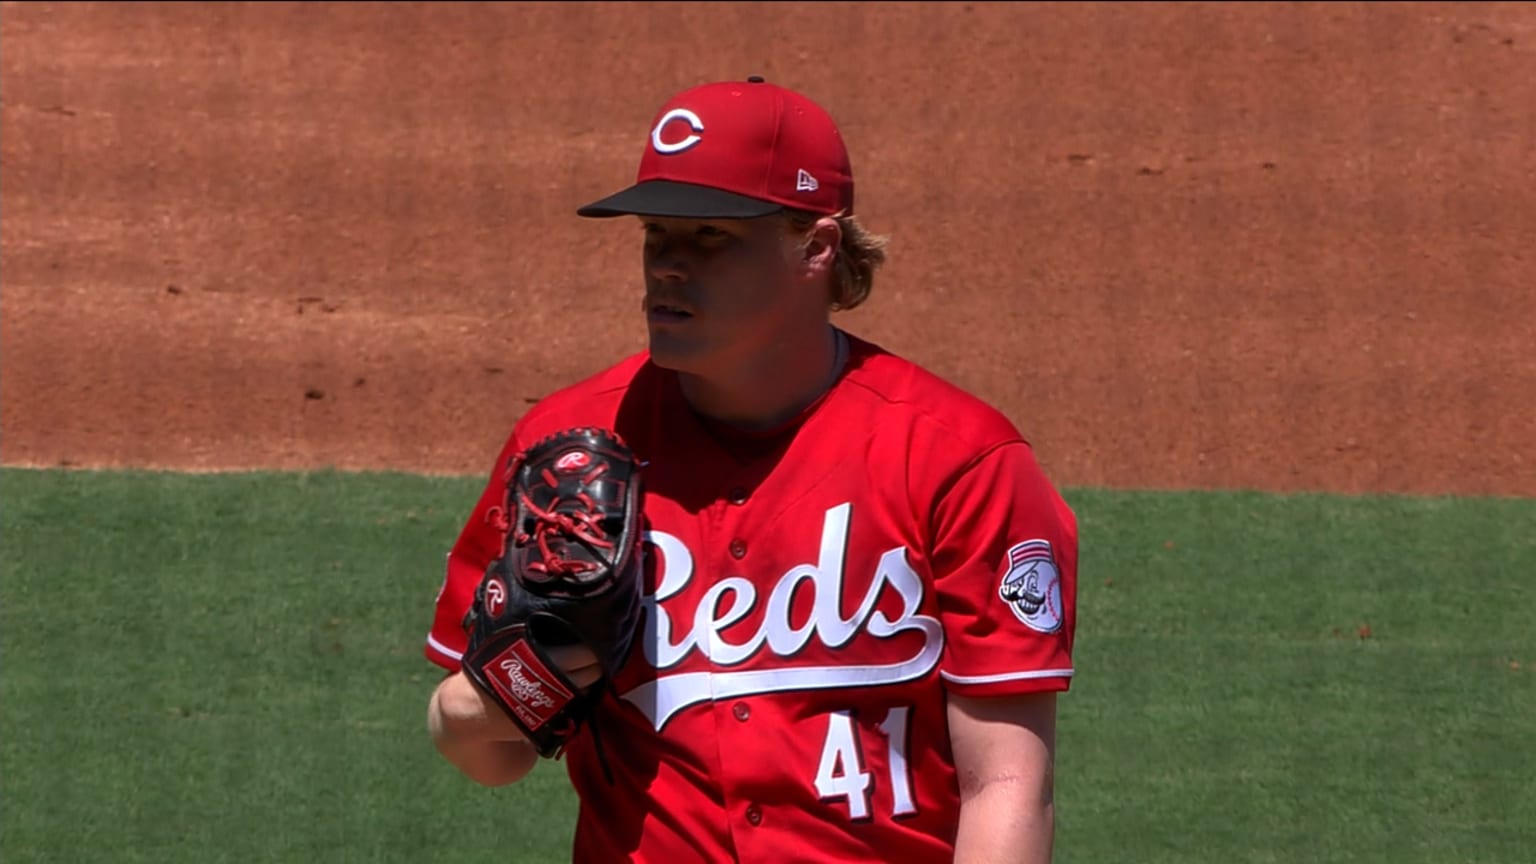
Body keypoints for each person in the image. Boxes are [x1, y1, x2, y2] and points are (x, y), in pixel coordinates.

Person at [423, 76, 1079, 864]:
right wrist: (505, 692)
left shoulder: (957, 461)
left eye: (710, 236)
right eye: (656, 232)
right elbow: (486, 756)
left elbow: (1007, 783)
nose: (668, 265)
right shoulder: (567, 450)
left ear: (816, 248)